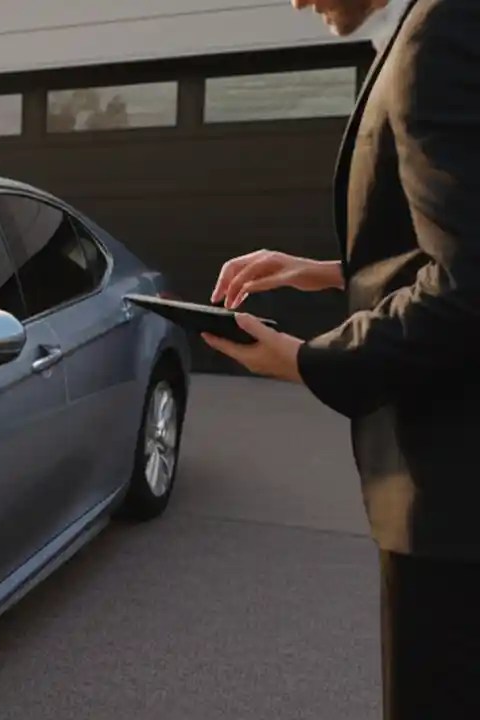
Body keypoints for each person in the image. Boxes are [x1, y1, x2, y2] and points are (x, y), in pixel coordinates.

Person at [202, 0, 480, 718]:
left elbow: (469, 285)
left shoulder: (439, 34)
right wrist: (330, 272)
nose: (298, 1)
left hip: (453, 510)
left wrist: (306, 360)